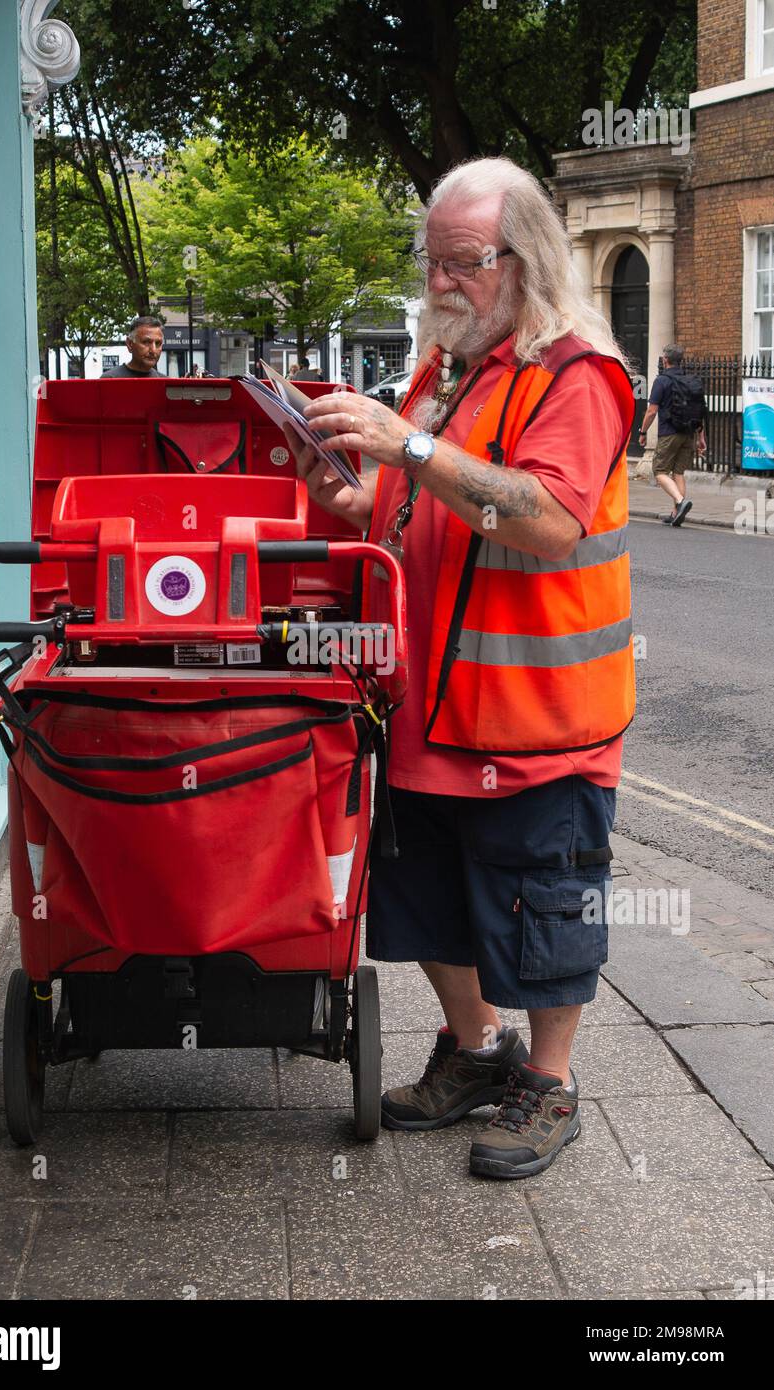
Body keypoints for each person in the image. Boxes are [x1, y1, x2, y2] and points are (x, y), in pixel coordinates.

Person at [281, 155, 636, 1181]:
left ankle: (550, 1081)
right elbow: (418, 507)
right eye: (431, 262)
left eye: (463, 264)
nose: (440, 284)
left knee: (544, 909)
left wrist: (410, 448)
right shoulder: (453, 367)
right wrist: (352, 490)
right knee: (427, 896)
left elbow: (550, 522)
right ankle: (476, 1051)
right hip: (430, 706)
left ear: (523, 260)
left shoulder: (578, 372)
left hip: (538, 721)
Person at [639, 345, 707, 526]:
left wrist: (643, 431)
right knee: (678, 472)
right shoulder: (689, 381)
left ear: (665, 360)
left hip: (669, 433)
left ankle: (680, 501)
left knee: (659, 471)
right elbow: (699, 411)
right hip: (688, 433)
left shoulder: (662, 381)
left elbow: (652, 411)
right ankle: (677, 513)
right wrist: (701, 437)